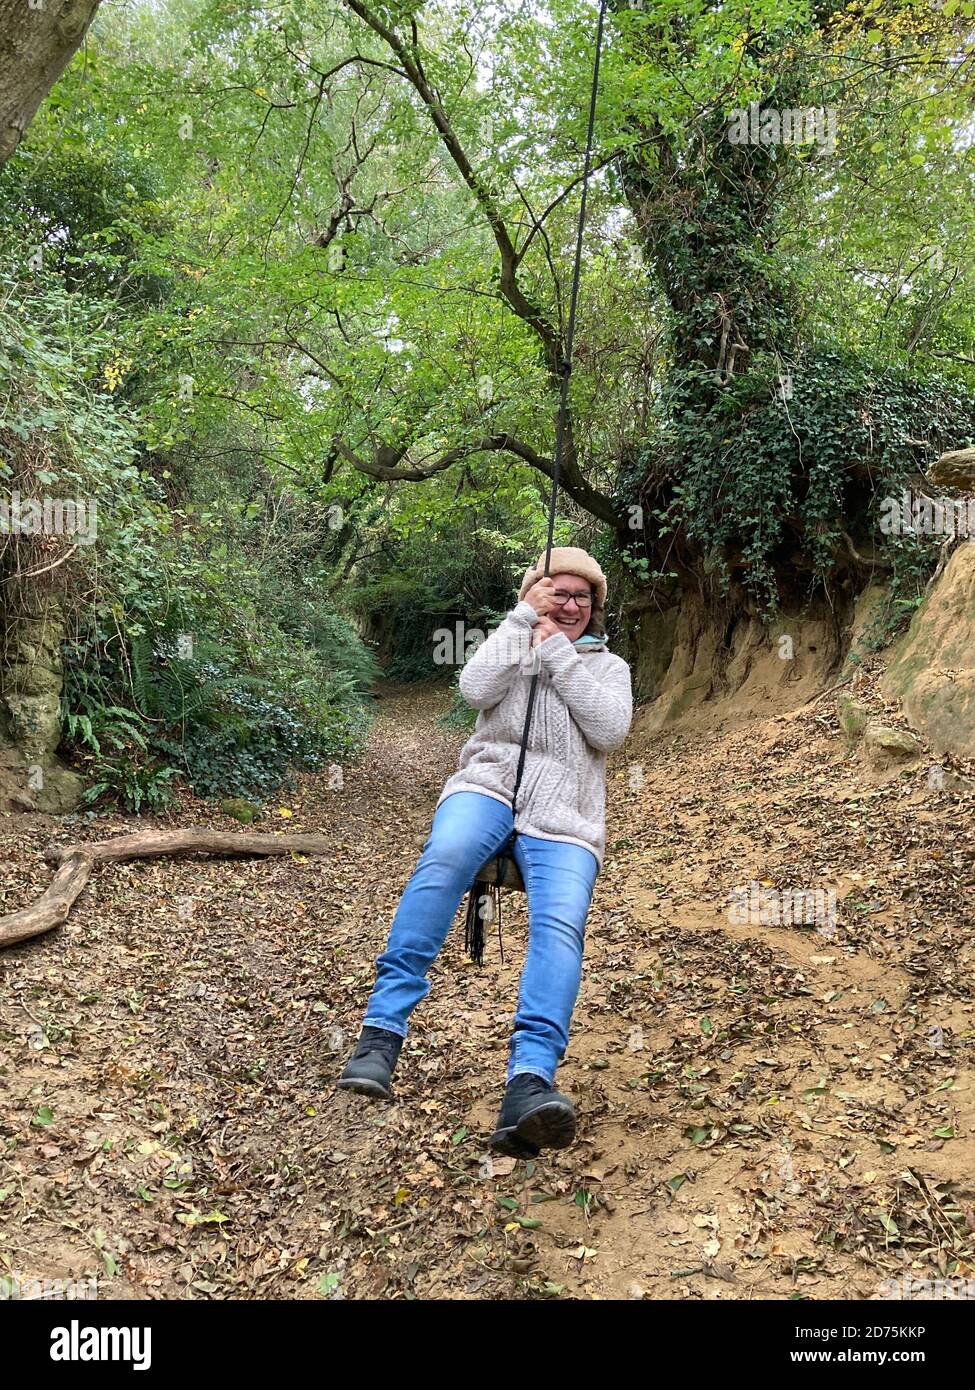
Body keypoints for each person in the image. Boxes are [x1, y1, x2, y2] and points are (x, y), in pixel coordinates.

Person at [338, 547, 633, 1156]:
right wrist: (521, 625)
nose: (569, 604)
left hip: (565, 815)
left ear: (596, 608)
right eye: (557, 592)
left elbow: (608, 730)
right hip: (487, 786)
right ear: (534, 593)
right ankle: (381, 1034)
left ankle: (529, 1082)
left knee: (561, 924)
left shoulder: (610, 668)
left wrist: (558, 657)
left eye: (582, 596)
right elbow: (474, 689)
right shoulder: (511, 639)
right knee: (444, 859)